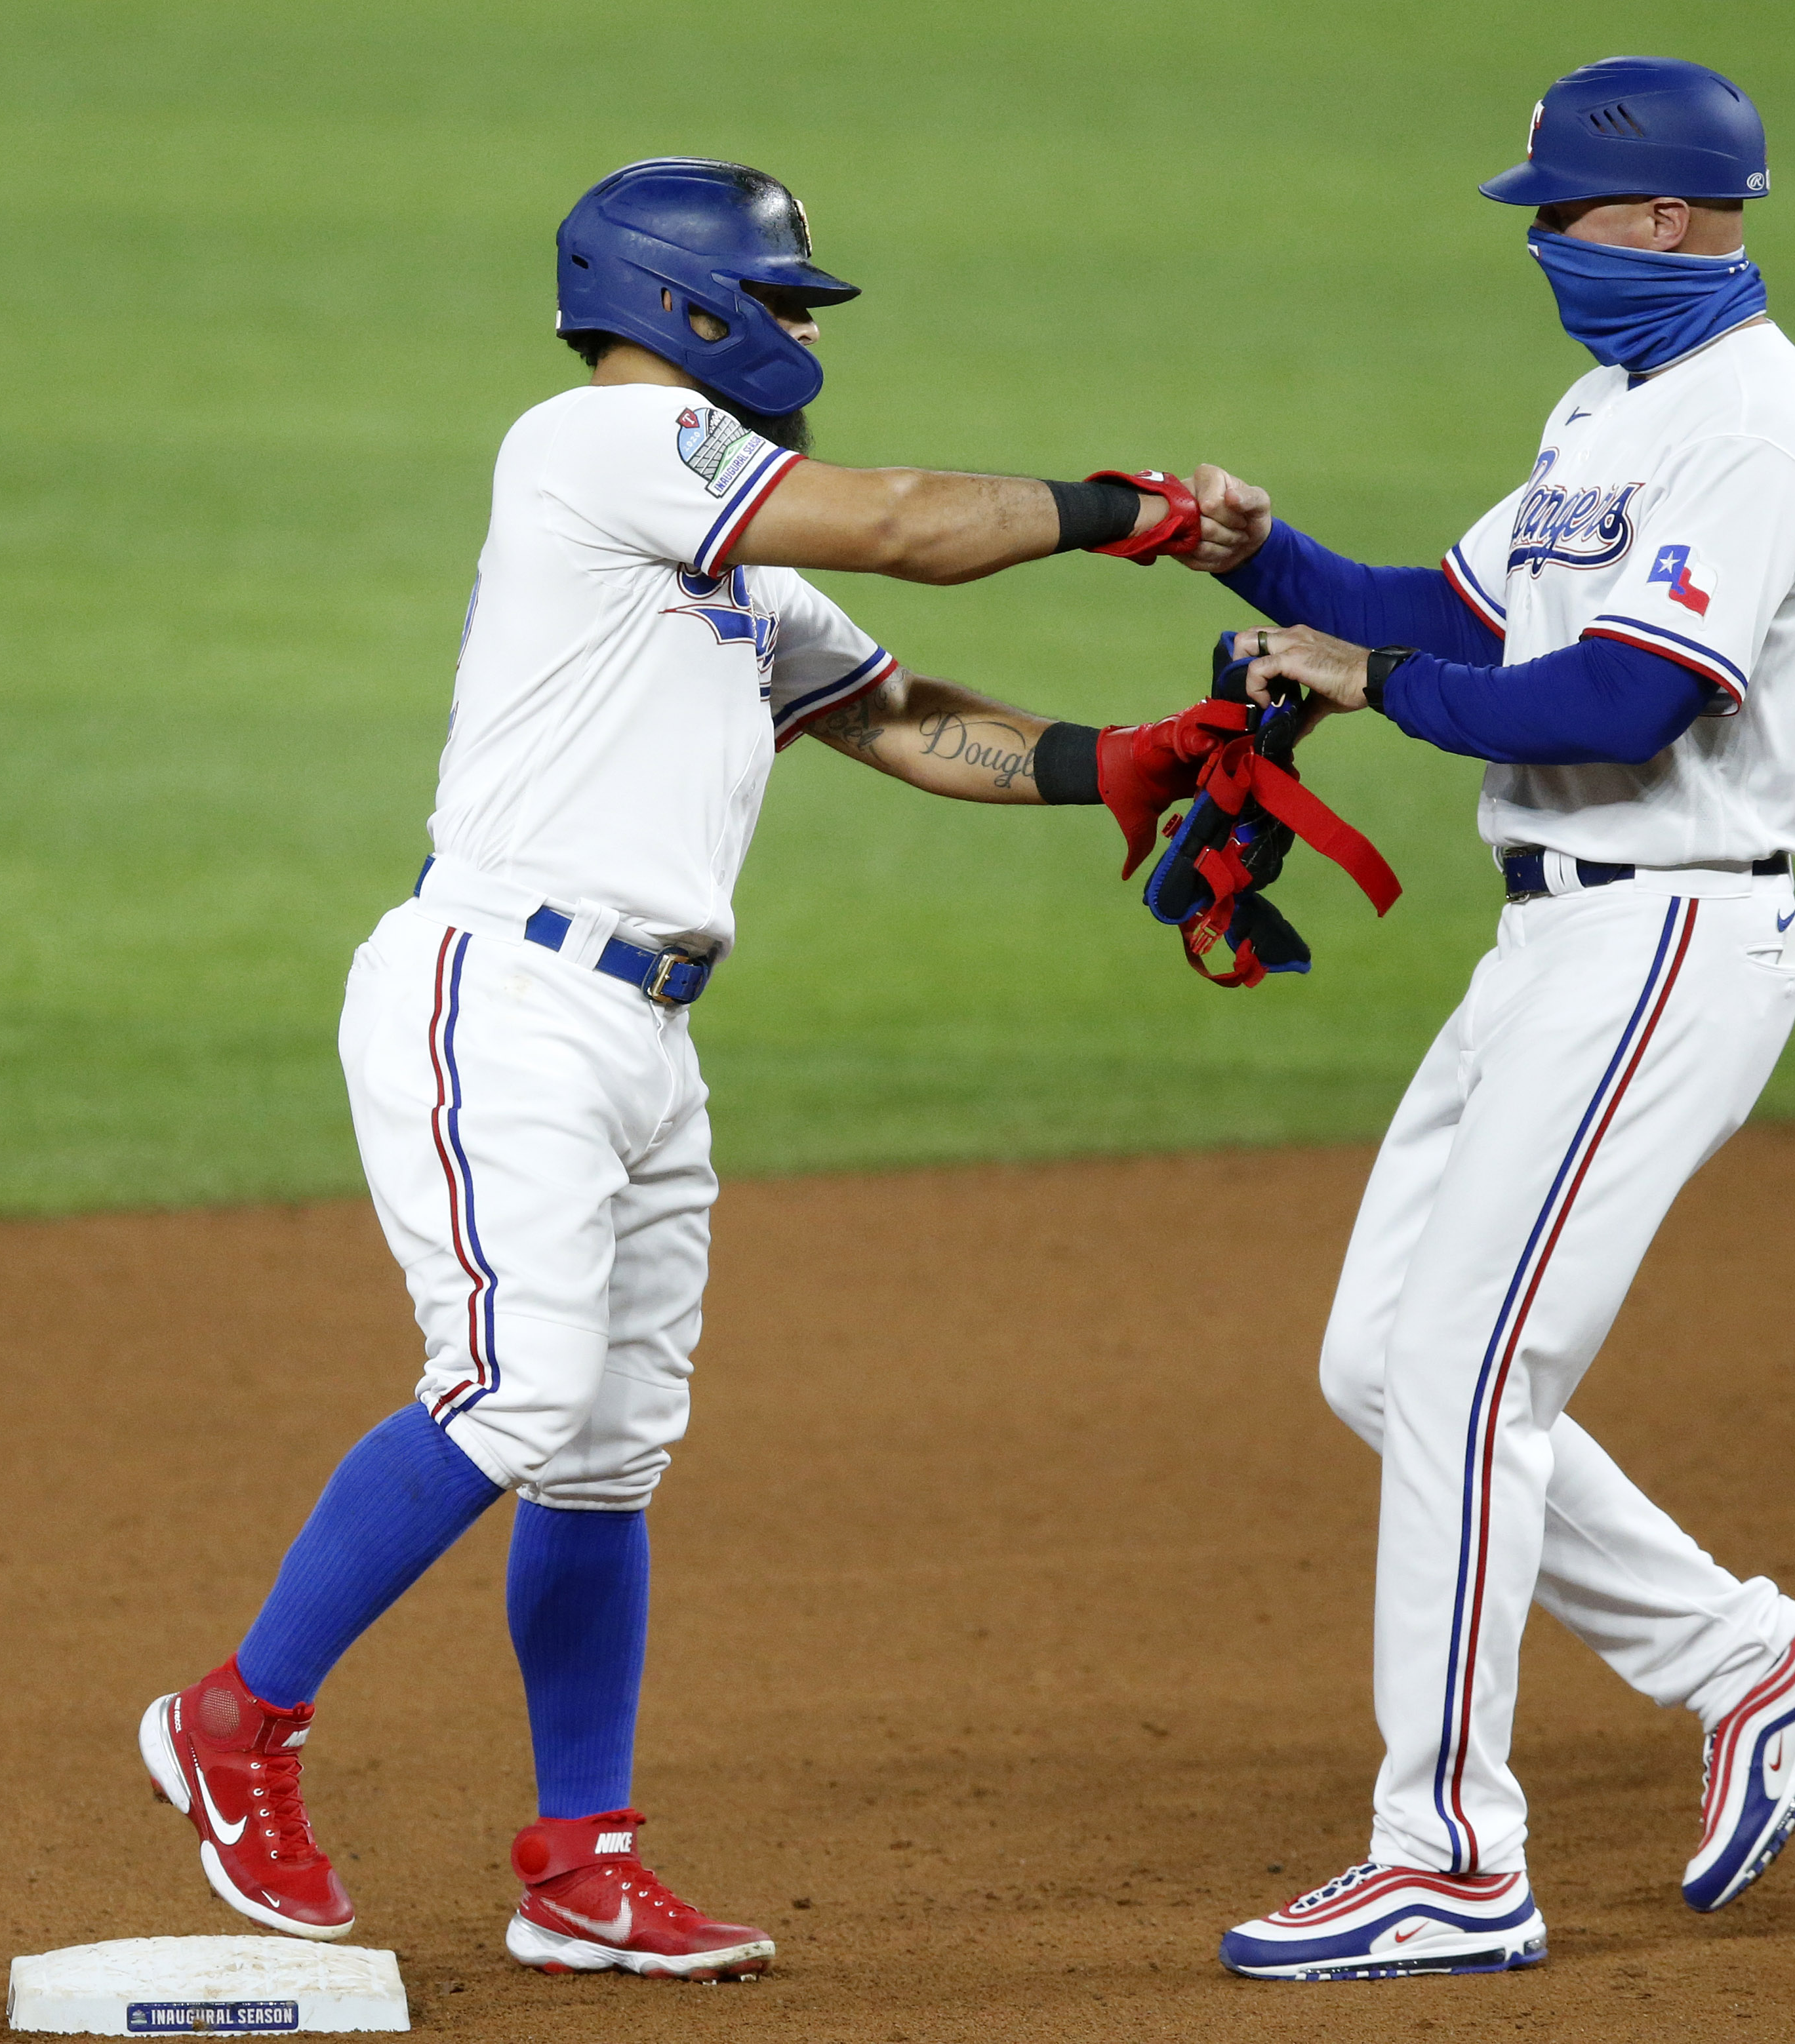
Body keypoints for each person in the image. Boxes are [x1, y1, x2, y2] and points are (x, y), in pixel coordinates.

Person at [137, 155, 1232, 1982]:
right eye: (791, 302)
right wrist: (1128, 511)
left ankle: (582, 1862)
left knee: (607, 1455)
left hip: (644, 1035)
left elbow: (890, 711)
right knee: (511, 1385)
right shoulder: (602, 445)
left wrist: (1115, 761)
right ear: (682, 305)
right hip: (504, 992)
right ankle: (235, 1722)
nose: (806, 332)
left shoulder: (732, 552)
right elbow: (897, 520)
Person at [1184, 58, 1795, 1982]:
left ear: (1662, 219)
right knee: (1387, 1366)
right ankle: (1760, 1664)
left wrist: (1369, 682)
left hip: (1666, 936)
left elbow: (1620, 707)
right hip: (1552, 952)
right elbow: (1453, 611)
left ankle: (1449, 1857)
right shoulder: (1617, 407)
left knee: (1477, 1378)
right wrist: (1257, 555)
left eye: (1563, 217)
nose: (1546, 251)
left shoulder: (1756, 420)